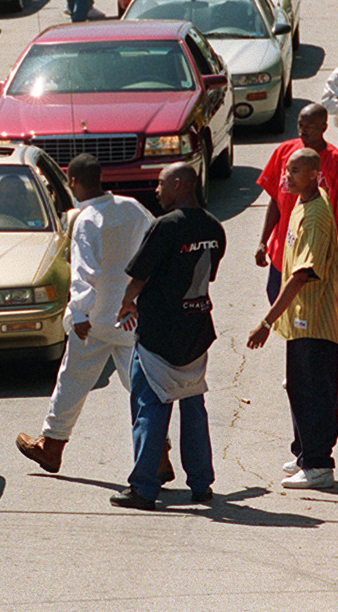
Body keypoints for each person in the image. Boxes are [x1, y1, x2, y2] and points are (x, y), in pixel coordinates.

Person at [16, 154, 155, 473]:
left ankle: (51, 446)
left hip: (92, 321)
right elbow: (153, 245)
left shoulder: (86, 218)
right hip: (131, 317)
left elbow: (83, 271)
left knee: (72, 381)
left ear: (73, 181)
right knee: (141, 389)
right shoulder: (132, 207)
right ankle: (157, 454)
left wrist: (79, 312)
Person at [111, 162, 225, 509]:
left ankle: (144, 487)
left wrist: (126, 305)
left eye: (161, 184)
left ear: (179, 184)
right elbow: (208, 277)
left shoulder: (166, 227)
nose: (156, 190)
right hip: (196, 332)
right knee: (193, 405)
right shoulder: (215, 228)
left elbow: (139, 276)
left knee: (150, 405)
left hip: (159, 334)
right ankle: (201, 482)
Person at [247, 147, 338, 491]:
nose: (285, 177)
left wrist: (266, 320)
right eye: (285, 171)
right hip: (300, 319)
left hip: (316, 320)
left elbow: (302, 274)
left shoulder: (317, 214)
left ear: (313, 176)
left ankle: (320, 464)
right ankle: (306, 453)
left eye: (292, 172)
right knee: (298, 386)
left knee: (314, 390)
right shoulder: (301, 204)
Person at [254, 104, 338, 305]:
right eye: (300, 125)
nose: (303, 130)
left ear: (324, 127)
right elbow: (275, 199)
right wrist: (263, 241)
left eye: (310, 126)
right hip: (281, 251)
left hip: (313, 254)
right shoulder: (285, 152)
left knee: (305, 311)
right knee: (275, 298)